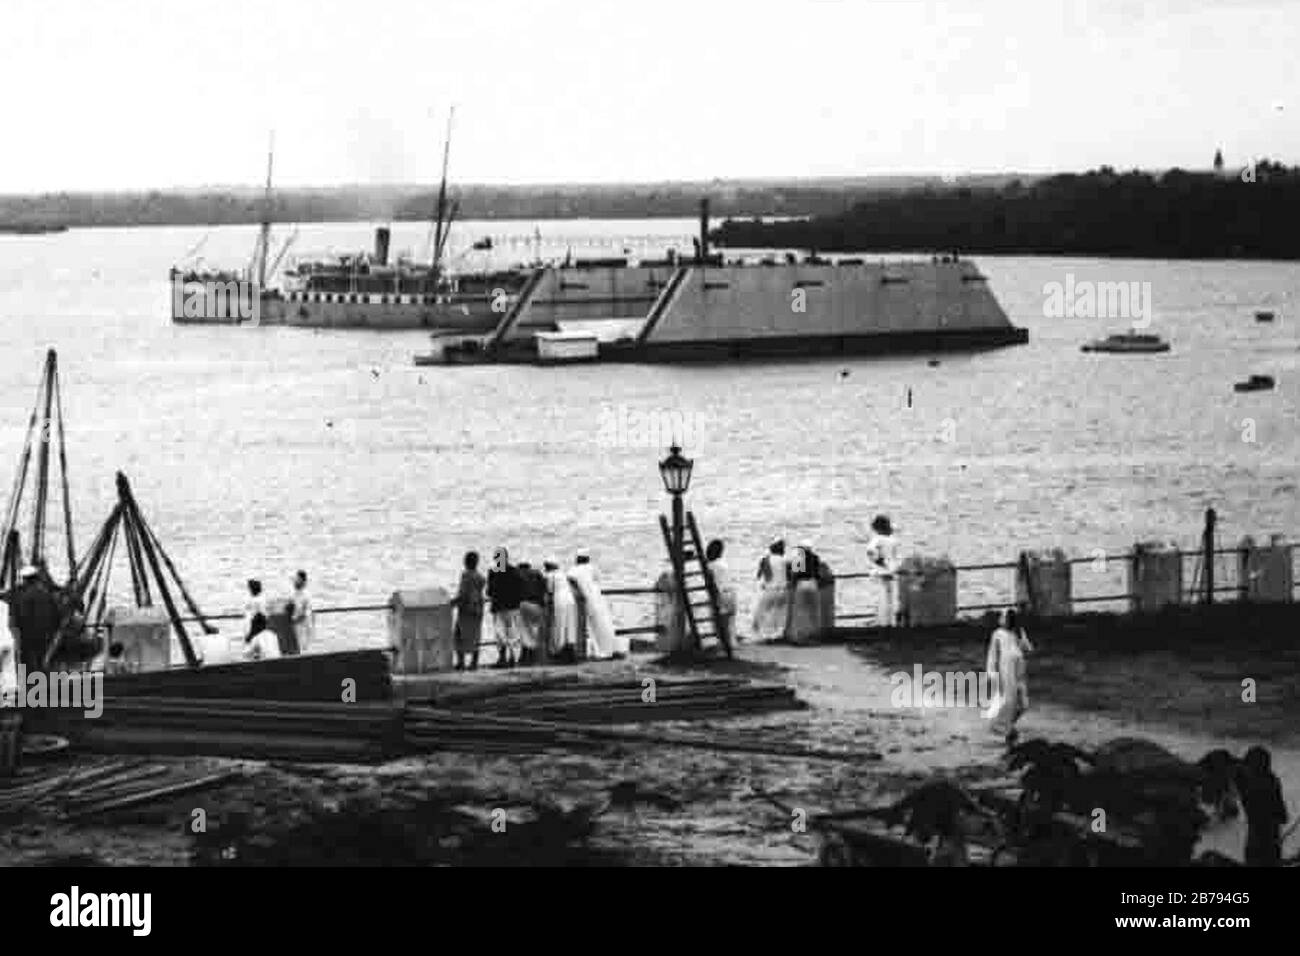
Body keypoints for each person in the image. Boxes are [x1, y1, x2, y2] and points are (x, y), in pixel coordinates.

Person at [983, 608, 1034, 746]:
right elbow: (992, 654)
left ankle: (1006, 727)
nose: (1000, 619)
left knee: (1023, 704)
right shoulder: (998, 634)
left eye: (1003, 617)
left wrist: (1022, 635)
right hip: (1006, 669)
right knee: (1009, 701)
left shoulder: (1016, 633)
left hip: (1019, 670)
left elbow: (1029, 649)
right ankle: (1005, 730)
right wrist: (991, 672)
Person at [568, 552, 625, 659]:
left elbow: (571, 583)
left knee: (592, 628)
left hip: (585, 599)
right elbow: (597, 579)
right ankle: (612, 649)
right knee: (605, 624)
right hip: (598, 598)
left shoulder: (572, 570)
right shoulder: (592, 568)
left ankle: (599, 651)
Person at [7, 565, 62, 677]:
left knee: (26, 669)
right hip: (46, 638)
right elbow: (57, 618)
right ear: (37, 579)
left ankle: (27, 690)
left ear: (25, 580)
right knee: (44, 666)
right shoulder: (48, 596)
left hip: (27, 639)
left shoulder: (21, 597)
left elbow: (15, 620)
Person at [1237, 746, 1287, 866]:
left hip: (1256, 842)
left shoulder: (1248, 784)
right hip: (1272, 841)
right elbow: (1283, 816)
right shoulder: (1272, 781)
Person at [487, 548, 524, 668]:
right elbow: (521, 588)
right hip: (513, 607)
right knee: (512, 633)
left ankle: (502, 658)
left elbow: (489, 591)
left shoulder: (493, 572)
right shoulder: (515, 571)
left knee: (500, 634)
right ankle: (513, 658)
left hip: (499, 607)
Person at [450, 551, 485, 671]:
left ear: (466, 562)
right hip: (478, 609)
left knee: (459, 635)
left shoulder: (466, 575)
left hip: (466, 610)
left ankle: (461, 663)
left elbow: (463, 594)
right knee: (475, 636)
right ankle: (474, 663)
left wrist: (452, 603)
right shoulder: (480, 577)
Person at [751, 539, 790, 641]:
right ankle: (777, 635)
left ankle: (763, 635)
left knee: (762, 611)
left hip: (770, 589)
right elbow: (790, 575)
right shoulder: (785, 561)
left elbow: (759, 575)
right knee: (779, 613)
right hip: (783, 590)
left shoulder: (765, 559)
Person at [865, 515, 901, 627]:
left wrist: (881, 563)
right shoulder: (893, 540)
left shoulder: (876, 540)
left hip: (879, 574)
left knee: (880, 602)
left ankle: (882, 623)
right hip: (891, 573)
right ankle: (890, 623)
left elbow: (870, 553)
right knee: (890, 602)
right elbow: (895, 556)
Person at [545, 558, 579, 663]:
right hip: (571, 600)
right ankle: (571, 652)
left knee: (560, 625)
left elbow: (549, 590)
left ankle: (559, 651)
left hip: (560, 601)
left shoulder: (550, 576)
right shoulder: (562, 574)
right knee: (570, 626)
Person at [787, 544, 824, 643]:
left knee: (800, 611)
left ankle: (798, 637)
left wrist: (791, 584)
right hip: (813, 584)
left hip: (801, 584)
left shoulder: (798, 558)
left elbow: (795, 574)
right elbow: (818, 574)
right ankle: (812, 636)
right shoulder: (815, 558)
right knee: (813, 612)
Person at [705, 539, 737, 648]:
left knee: (719, 621)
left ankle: (724, 644)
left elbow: (712, 584)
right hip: (731, 592)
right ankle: (731, 642)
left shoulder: (710, 565)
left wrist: (713, 598)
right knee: (729, 620)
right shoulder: (723, 563)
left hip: (721, 594)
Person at [516, 562, 547, 665]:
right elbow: (544, 588)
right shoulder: (537, 573)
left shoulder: (517, 573)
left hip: (523, 605)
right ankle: (534, 657)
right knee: (534, 632)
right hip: (536, 606)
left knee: (524, 633)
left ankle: (525, 658)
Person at [291, 570, 314, 652]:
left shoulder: (306, 595)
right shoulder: (293, 594)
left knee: (302, 650)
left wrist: (295, 620)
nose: (295, 581)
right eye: (295, 579)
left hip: (303, 629)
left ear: (303, 581)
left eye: (297, 579)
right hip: (294, 628)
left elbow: (306, 614)